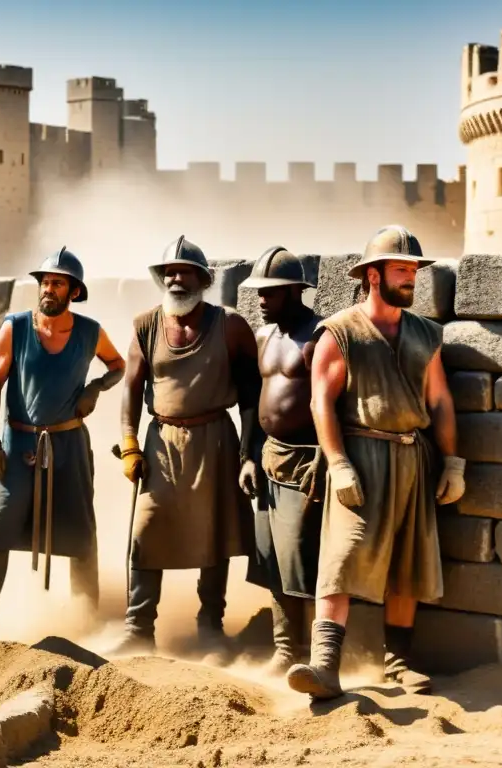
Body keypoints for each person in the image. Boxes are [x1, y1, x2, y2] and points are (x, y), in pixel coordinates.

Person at [285, 225, 466, 699]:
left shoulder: (427, 333)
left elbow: (441, 400)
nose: (411, 279)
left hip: (413, 456)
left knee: (408, 561)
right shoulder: (341, 332)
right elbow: (320, 403)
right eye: (402, 270)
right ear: (372, 275)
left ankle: (398, 662)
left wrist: (453, 462)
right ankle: (324, 665)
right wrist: (339, 463)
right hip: (360, 457)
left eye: (414, 271)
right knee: (343, 556)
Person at [111, 235, 261, 660]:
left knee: (215, 533)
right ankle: (139, 627)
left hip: (215, 439)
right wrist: (129, 444)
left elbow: (252, 395)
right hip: (160, 444)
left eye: (184, 271)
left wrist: (248, 453)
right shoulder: (146, 324)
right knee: (146, 530)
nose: (175, 279)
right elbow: (131, 388)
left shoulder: (229, 325)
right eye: (168, 272)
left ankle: (210, 628)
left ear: (203, 279)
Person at [0, 246, 125, 631]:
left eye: (58, 283)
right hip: (20, 444)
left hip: (69, 444)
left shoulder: (90, 332)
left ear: (74, 291)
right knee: (0, 523)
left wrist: (96, 387)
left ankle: (84, 622)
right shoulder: (17, 328)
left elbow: (118, 364)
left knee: (81, 530)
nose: (48, 289)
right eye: (45, 282)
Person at [240, 246, 325, 675]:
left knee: (299, 558)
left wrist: (326, 460)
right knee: (270, 557)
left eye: (269, 293)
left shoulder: (320, 337)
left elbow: (335, 405)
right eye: (258, 292)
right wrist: (247, 457)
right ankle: (284, 648)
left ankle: (314, 655)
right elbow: (253, 404)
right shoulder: (262, 337)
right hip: (268, 457)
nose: (260, 300)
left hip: (306, 462)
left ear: (294, 292)